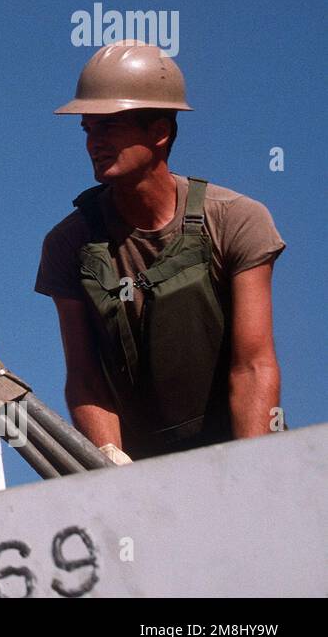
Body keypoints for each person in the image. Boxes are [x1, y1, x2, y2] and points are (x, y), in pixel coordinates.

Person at [35, 40, 285, 463]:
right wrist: (110, 464)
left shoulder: (236, 220)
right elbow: (85, 378)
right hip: (142, 469)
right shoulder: (69, 244)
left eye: (110, 126)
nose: (94, 141)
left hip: (239, 446)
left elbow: (253, 366)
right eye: (88, 129)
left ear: (159, 132)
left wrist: (253, 472)